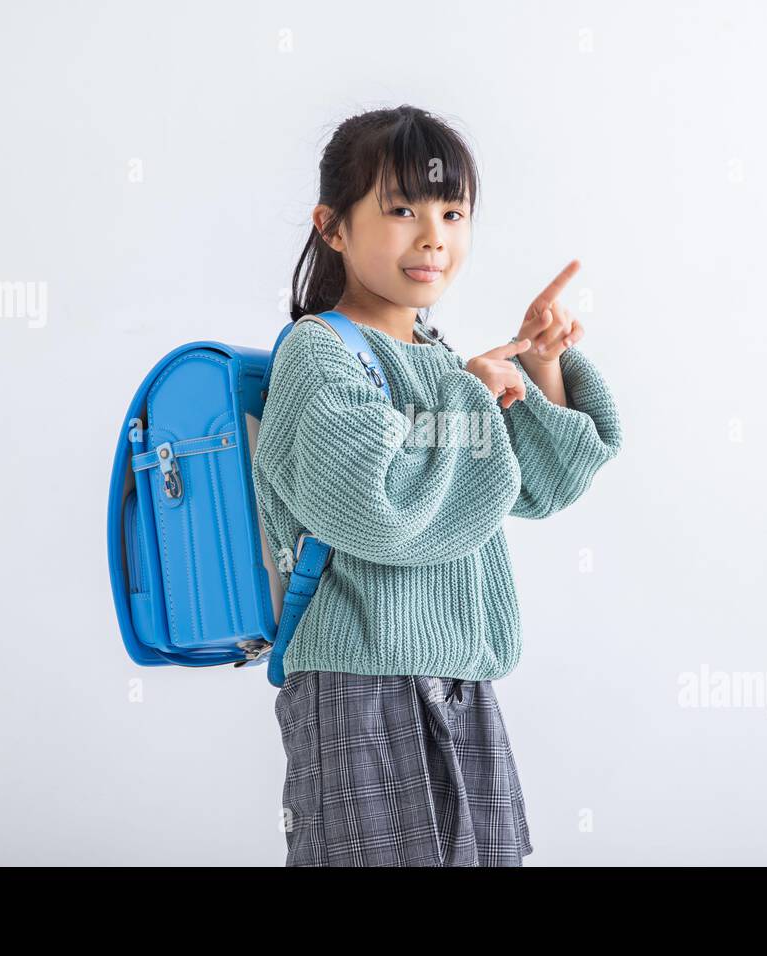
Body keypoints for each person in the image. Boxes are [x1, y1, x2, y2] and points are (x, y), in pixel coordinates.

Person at [253, 104, 623, 866]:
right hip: (361, 684)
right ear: (332, 227)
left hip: (460, 679)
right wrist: (472, 395)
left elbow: (539, 485)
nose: (433, 237)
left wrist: (539, 365)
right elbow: (380, 506)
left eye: (453, 213)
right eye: (402, 211)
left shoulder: (441, 360)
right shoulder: (318, 355)